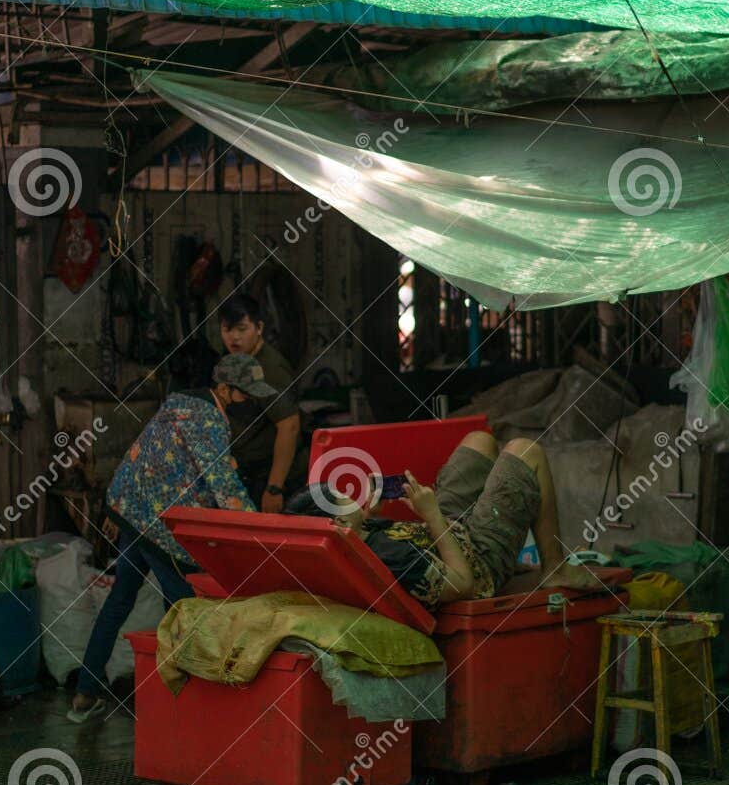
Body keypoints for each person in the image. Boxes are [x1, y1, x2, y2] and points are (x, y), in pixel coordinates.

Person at [67, 354, 274, 724]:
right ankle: (183, 704)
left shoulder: (179, 404)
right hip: (156, 522)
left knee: (120, 600)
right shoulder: (207, 418)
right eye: (246, 395)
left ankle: (85, 693)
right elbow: (221, 483)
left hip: (130, 509)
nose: (251, 403)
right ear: (225, 390)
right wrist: (259, 530)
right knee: (183, 606)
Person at [288, 429, 596, 609]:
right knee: (526, 451)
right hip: (479, 560)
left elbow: (369, 531)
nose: (350, 494)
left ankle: (509, 537)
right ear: (339, 524)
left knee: (480, 440)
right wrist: (431, 513)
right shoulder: (395, 559)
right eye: (343, 497)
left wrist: (369, 515)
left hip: (449, 530)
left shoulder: (353, 540)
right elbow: (464, 585)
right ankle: (555, 569)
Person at [218, 291, 307, 512]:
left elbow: (289, 426)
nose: (233, 338)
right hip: (247, 474)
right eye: (227, 330)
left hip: (273, 479)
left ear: (259, 328)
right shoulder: (235, 363)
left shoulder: (269, 369)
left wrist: (274, 488)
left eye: (241, 329)